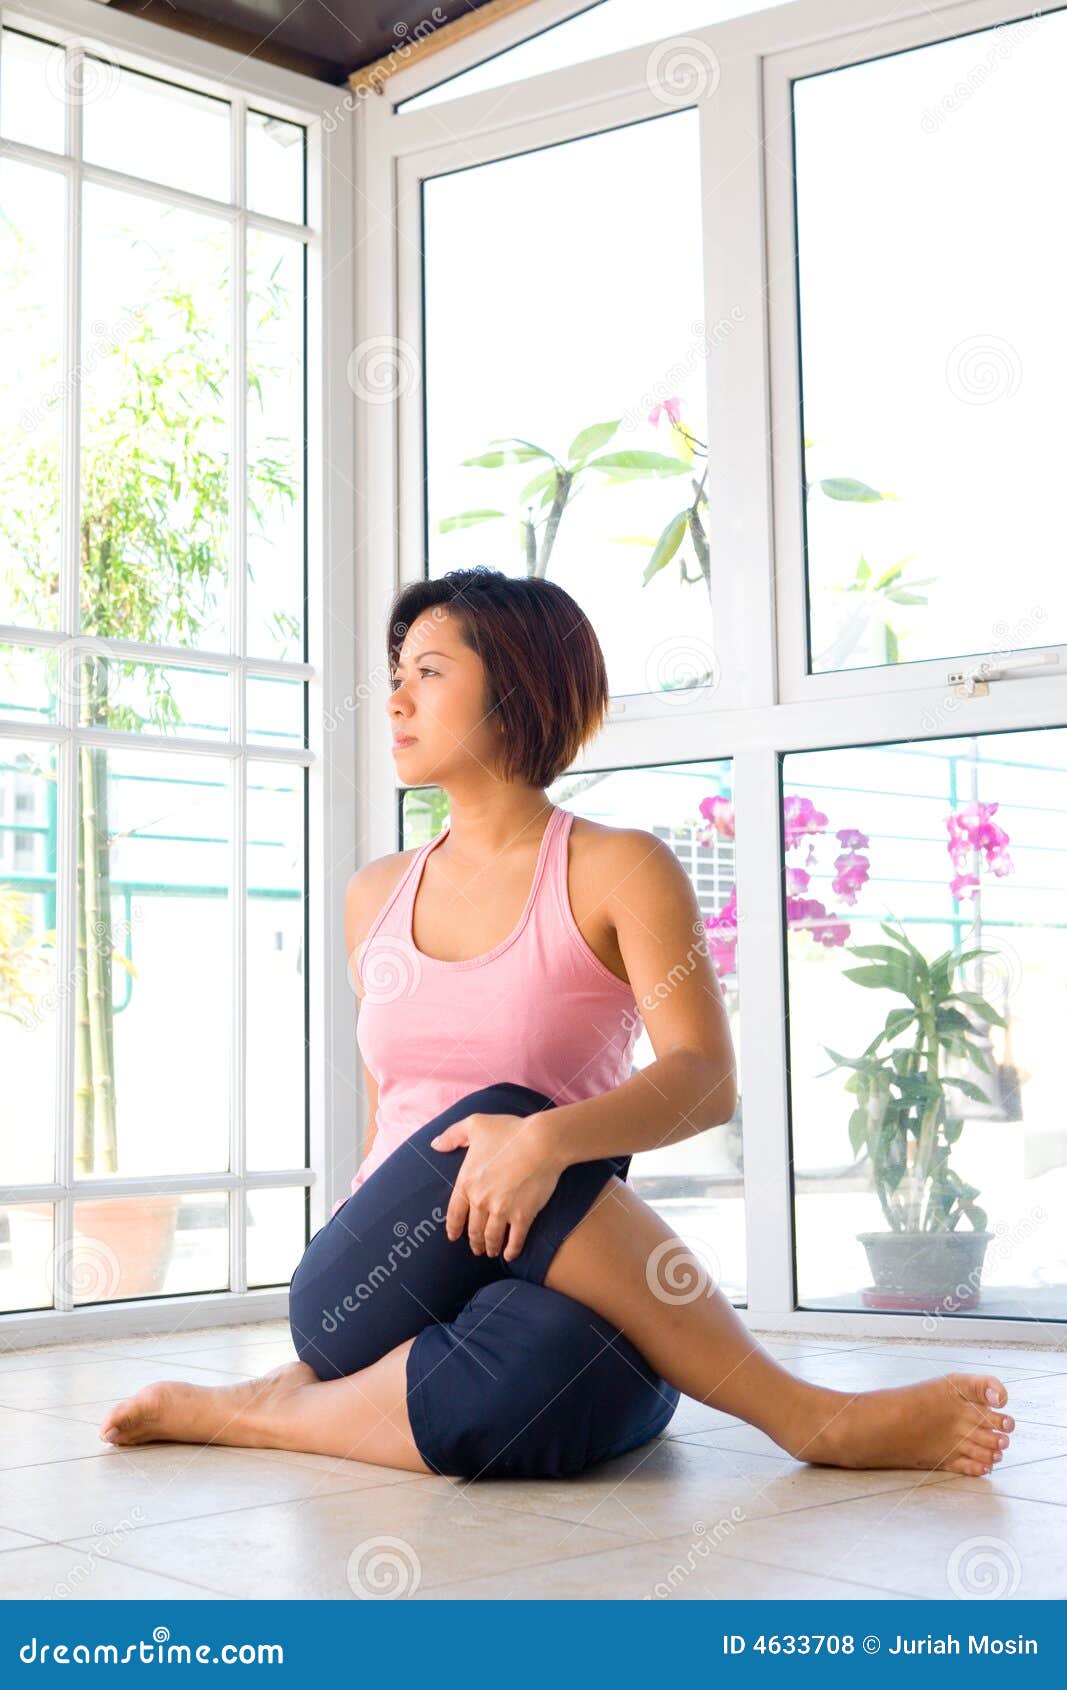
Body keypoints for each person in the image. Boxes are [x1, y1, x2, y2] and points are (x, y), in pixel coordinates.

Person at [99, 568, 1013, 1480]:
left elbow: (703, 1076)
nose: (395, 701)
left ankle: (263, 1411)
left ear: (517, 685)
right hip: (371, 1284)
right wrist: (523, 1140)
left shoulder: (619, 868)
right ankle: (812, 1419)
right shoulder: (374, 894)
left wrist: (547, 1145)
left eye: (427, 673)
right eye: (395, 677)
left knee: (548, 1370)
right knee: (490, 1122)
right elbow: (393, 1123)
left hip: (551, 1274)